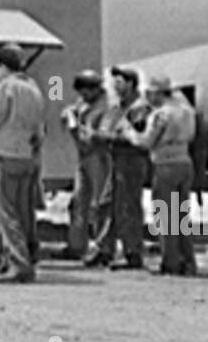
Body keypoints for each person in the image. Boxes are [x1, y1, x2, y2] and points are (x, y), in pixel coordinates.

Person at [0, 44, 45, 283]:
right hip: (26, 156)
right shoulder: (33, 88)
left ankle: (19, 264)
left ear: (0, 65)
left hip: (4, 156)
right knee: (24, 213)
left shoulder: (4, 87)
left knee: (6, 214)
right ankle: (17, 260)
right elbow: (39, 128)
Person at [120, 73, 198, 276]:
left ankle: (170, 262)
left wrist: (129, 133)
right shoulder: (187, 111)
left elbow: (146, 142)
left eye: (150, 93)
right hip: (185, 162)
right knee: (182, 216)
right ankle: (188, 260)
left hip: (165, 165)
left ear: (156, 93)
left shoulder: (161, 114)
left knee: (165, 216)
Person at [102, 66, 151, 270]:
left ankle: (133, 252)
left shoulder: (139, 108)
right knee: (109, 204)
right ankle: (106, 248)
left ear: (131, 84)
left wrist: (107, 136)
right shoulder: (117, 108)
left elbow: (136, 136)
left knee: (128, 206)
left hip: (131, 161)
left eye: (120, 81)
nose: (115, 85)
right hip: (117, 160)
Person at [63, 69, 112, 265]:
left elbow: (99, 136)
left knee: (100, 204)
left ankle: (103, 248)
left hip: (99, 156)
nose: (82, 97)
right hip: (84, 157)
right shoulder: (86, 103)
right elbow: (74, 109)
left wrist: (76, 127)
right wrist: (70, 112)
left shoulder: (107, 107)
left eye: (85, 92)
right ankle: (76, 245)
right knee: (78, 201)